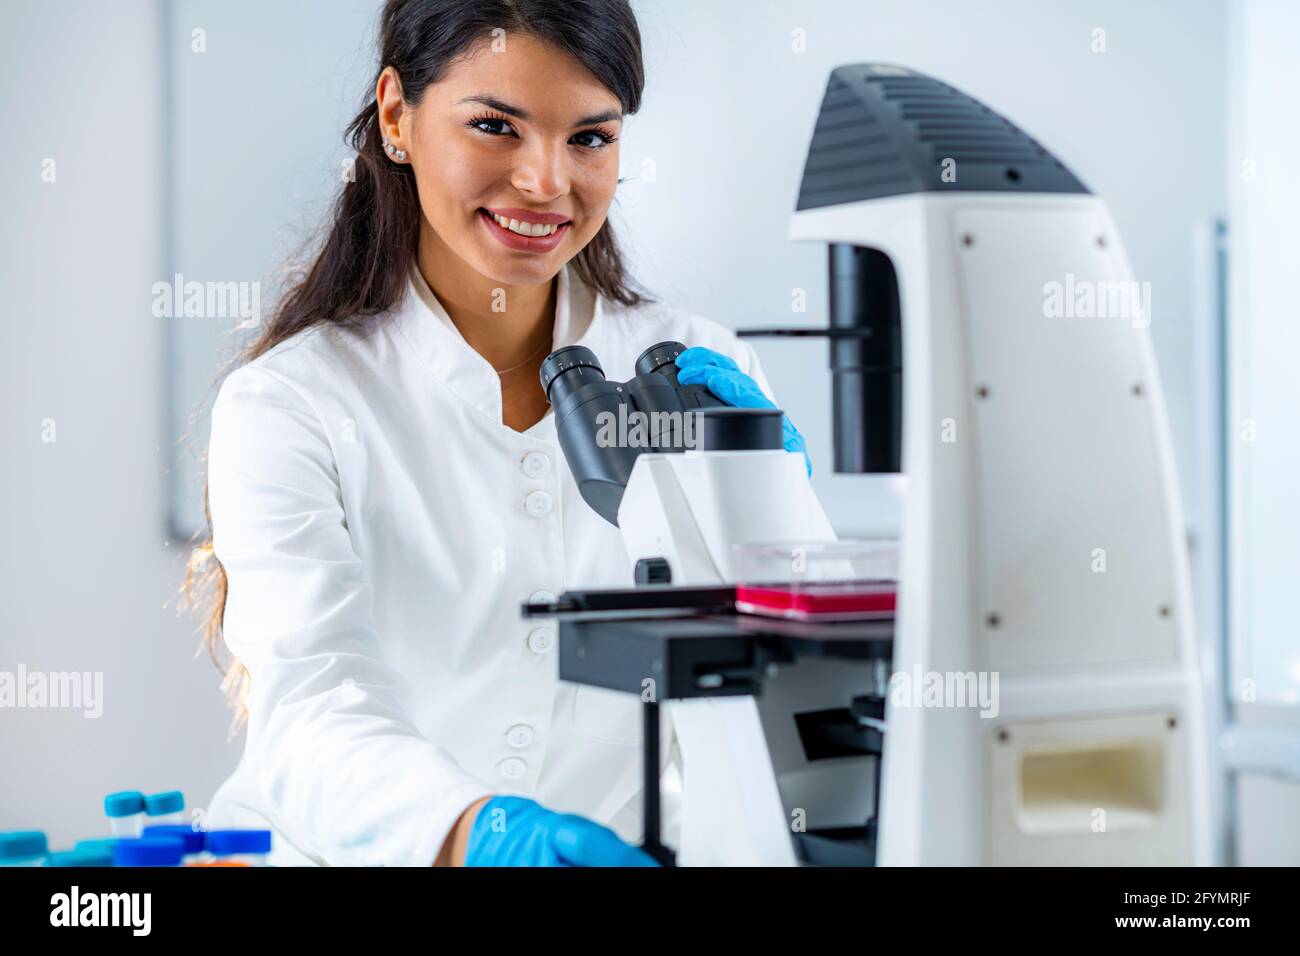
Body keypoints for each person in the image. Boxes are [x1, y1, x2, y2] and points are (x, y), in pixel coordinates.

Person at [185, 0, 807, 867]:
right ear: (397, 113)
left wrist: (789, 529)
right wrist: (480, 836)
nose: (546, 181)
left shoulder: (701, 367)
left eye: (591, 138)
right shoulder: (293, 403)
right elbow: (315, 703)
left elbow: (772, 684)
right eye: (493, 126)